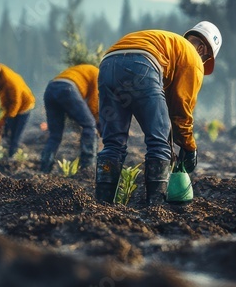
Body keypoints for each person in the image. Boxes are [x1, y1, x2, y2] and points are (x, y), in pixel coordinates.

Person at [94, 22, 221, 206]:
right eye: (206, 59)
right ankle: (156, 208)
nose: (203, 64)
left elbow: (167, 104)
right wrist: (189, 147)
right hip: (143, 64)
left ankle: (101, 206)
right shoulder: (193, 58)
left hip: (108, 63)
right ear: (202, 49)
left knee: (113, 143)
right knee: (158, 143)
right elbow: (182, 109)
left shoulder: (170, 45)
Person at [39, 63, 99, 173]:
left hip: (50, 89)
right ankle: (87, 168)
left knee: (55, 135)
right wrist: (97, 123)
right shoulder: (97, 73)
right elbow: (94, 104)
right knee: (90, 125)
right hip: (67, 88)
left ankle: (44, 169)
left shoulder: (81, 70)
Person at [0, 53, 35, 158]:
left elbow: (16, 103)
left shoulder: (10, 80)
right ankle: (6, 154)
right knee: (7, 133)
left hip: (24, 107)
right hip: (10, 108)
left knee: (15, 135)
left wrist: (7, 120)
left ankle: (12, 157)